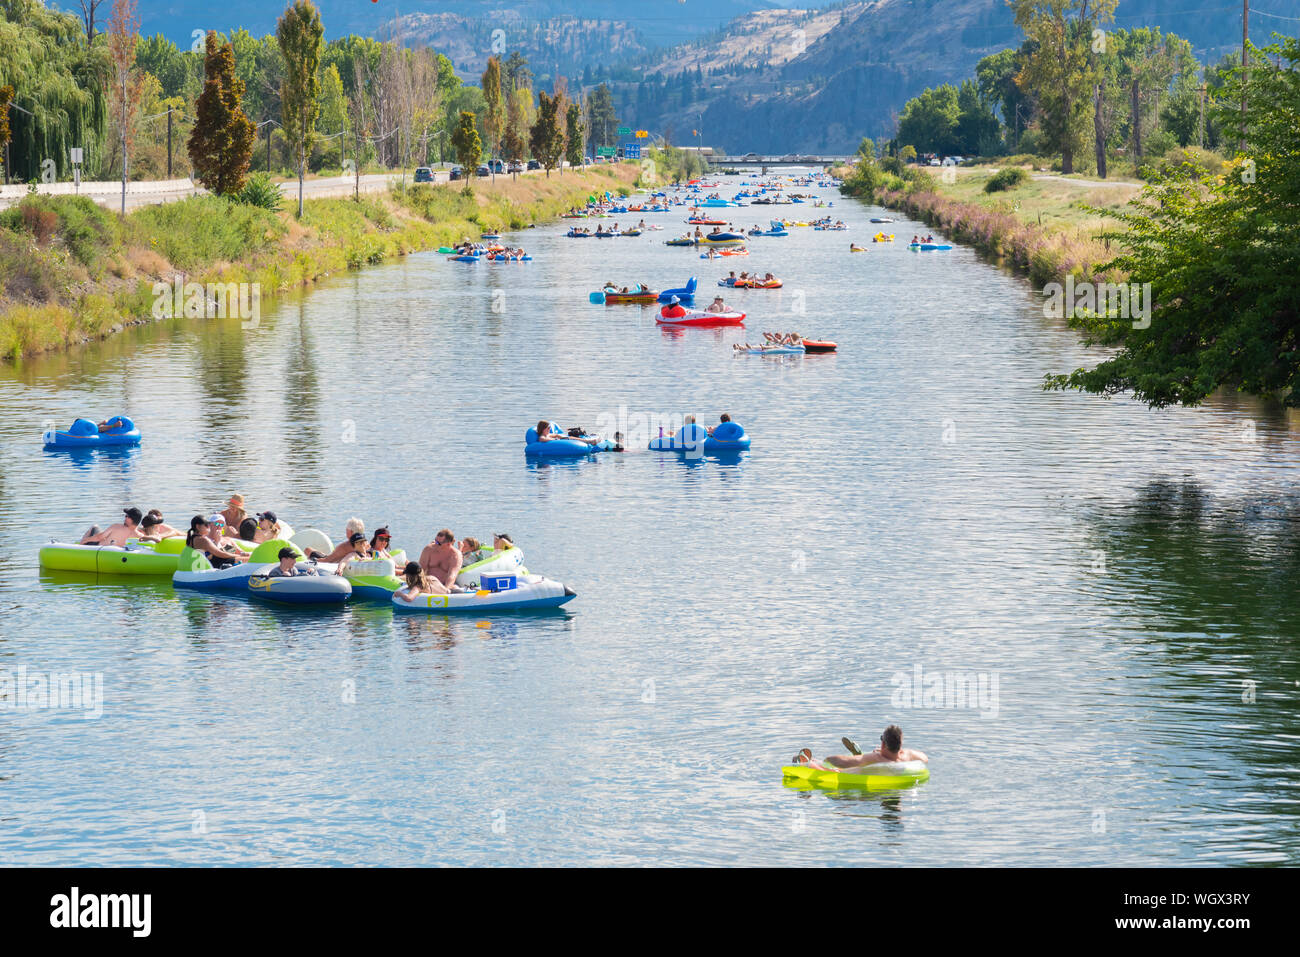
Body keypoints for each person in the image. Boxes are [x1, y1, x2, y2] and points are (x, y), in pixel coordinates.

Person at [792, 725, 928, 769]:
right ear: (900, 745)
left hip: (866, 784)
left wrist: (827, 759)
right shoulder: (906, 755)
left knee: (835, 796)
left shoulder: (877, 758)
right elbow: (925, 758)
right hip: (892, 782)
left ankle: (808, 762)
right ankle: (857, 752)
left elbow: (844, 762)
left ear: (883, 744)